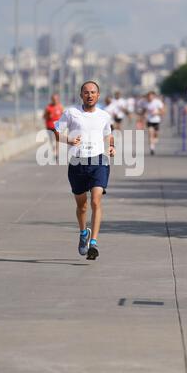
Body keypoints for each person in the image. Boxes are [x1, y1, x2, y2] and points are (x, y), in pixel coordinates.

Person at [54, 81, 115, 261]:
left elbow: (108, 134)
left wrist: (111, 147)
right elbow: (56, 131)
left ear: (98, 95)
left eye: (93, 92)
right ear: (81, 95)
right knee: (82, 206)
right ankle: (83, 233)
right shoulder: (71, 113)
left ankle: (94, 243)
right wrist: (69, 140)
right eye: (86, 92)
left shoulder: (104, 115)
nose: (90, 95)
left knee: (96, 201)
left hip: (99, 162)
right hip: (77, 163)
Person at [43, 94, 64, 161]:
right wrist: (48, 116)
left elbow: (63, 116)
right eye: (53, 99)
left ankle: (56, 154)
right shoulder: (48, 107)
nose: (55, 101)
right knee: (52, 141)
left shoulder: (60, 107)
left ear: (58, 99)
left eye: (56, 99)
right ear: (52, 100)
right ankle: (54, 151)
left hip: (57, 126)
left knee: (57, 140)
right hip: (49, 125)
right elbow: (44, 116)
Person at [144, 91, 165, 155]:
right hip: (149, 121)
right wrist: (144, 115)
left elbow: (163, 111)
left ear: (153, 96)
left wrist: (157, 113)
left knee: (156, 134)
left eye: (151, 96)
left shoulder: (158, 102)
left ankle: (154, 140)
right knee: (150, 133)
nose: (149, 98)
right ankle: (152, 148)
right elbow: (144, 111)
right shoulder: (145, 103)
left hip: (156, 120)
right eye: (148, 96)